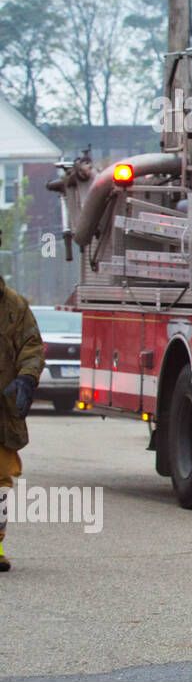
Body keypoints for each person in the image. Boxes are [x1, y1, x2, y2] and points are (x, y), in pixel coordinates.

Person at [0, 226, 46, 573]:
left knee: (0, 480)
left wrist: (26, 380)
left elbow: (31, 346)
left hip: (0, 416)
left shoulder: (13, 306)